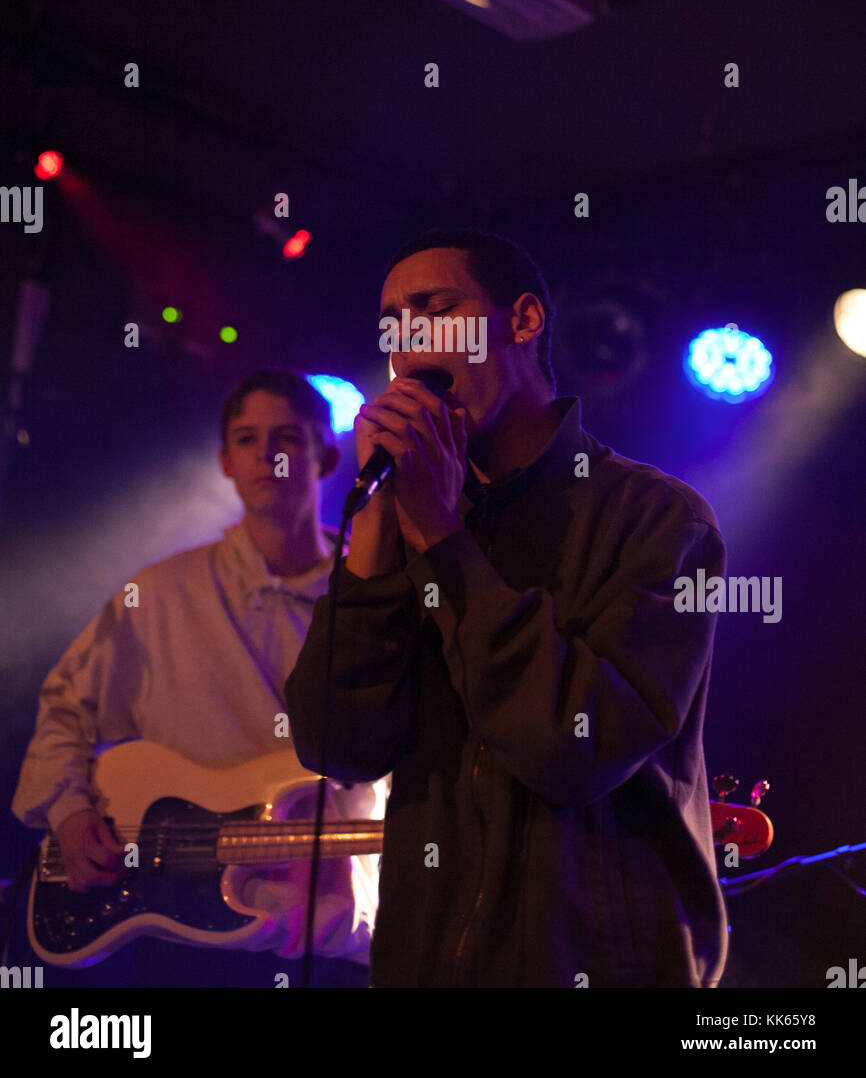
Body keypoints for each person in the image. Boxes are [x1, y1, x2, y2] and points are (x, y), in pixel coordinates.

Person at [285, 229, 729, 988]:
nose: (408, 336)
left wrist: (445, 539)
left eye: (434, 307)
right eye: (393, 321)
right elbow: (336, 744)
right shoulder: (411, 521)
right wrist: (379, 540)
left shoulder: (657, 519)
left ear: (523, 321)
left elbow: (572, 744)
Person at [12, 369, 384, 988]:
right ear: (224, 461)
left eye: (287, 436)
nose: (267, 454)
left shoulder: (372, 593)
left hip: (330, 930)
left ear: (325, 455)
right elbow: (65, 707)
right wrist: (71, 813)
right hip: (182, 928)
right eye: (247, 438)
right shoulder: (159, 593)